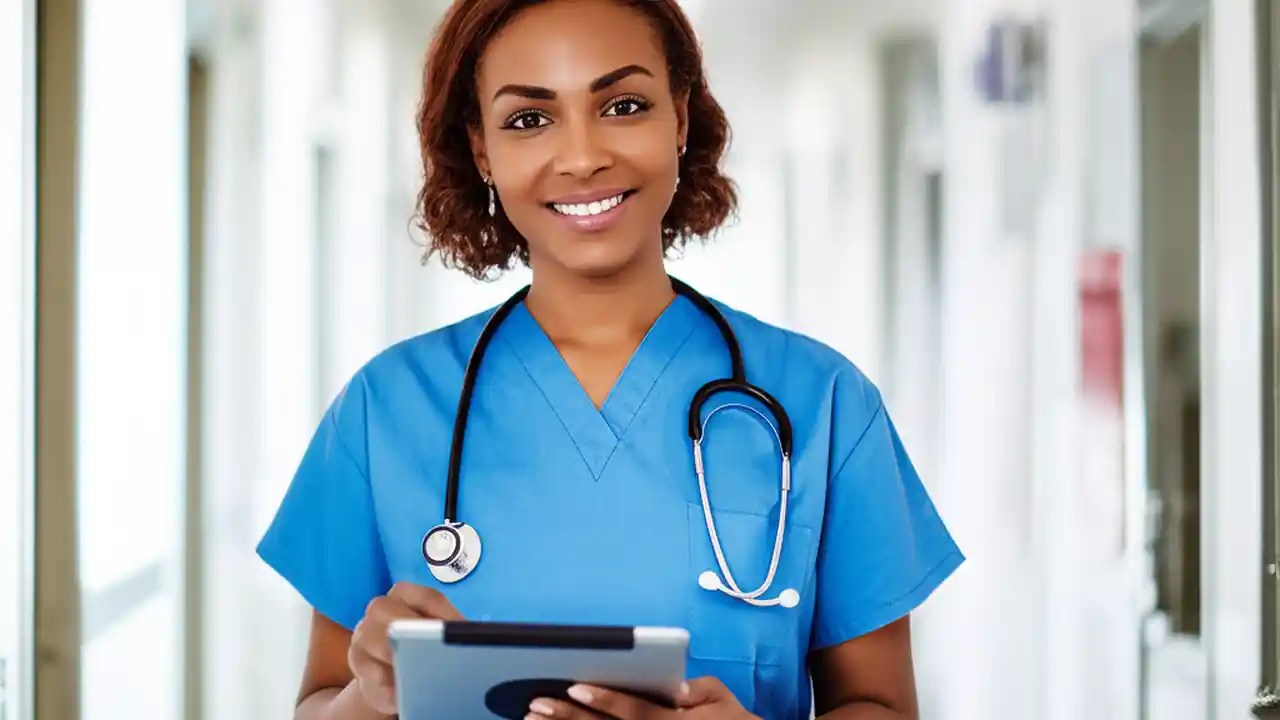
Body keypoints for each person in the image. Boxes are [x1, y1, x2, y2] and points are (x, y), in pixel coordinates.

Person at [256, 0, 964, 718]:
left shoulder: (823, 403)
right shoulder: (388, 408)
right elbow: (318, 704)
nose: (584, 155)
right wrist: (370, 697)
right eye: (529, 119)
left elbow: (883, 706)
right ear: (481, 151)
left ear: (680, 119)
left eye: (623, 105)